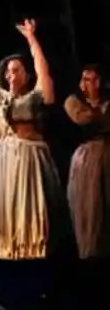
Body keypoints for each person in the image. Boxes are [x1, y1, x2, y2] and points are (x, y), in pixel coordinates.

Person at [0, 19, 63, 307]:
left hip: (30, 158)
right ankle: (8, 288)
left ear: (26, 74)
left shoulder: (35, 96)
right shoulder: (2, 97)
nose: (10, 75)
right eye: (7, 71)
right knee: (6, 218)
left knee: (30, 215)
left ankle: (37, 287)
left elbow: (45, 78)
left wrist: (32, 40)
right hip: (6, 160)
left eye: (16, 70)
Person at [65, 63, 110, 288]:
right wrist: (99, 114)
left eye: (94, 79)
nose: (90, 84)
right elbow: (85, 119)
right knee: (88, 208)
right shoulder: (74, 103)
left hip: (107, 157)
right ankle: (88, 262)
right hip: (85, 160)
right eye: (85, 79)